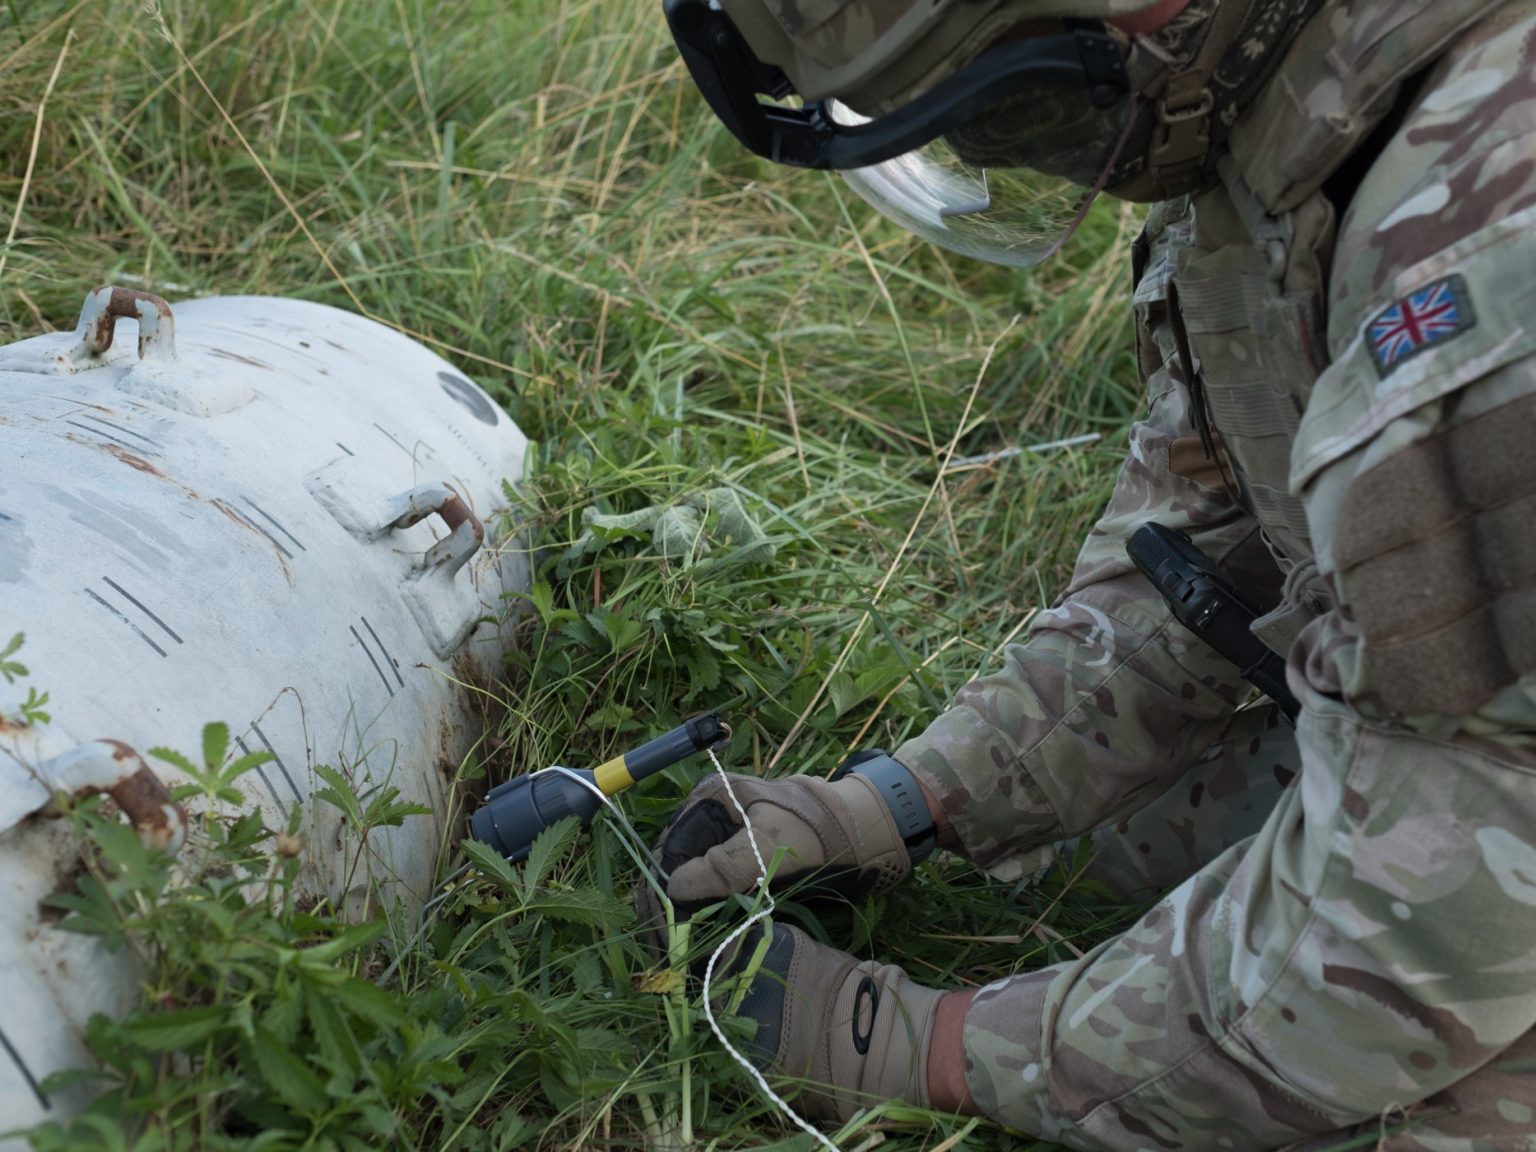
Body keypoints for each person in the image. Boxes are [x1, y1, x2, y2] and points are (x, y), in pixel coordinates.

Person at [644, 1, 1536, 1147]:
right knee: (1100, 850)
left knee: (1415, 1105)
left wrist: (935, 1048)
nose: (996, 152)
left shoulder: (1481, 240)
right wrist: (897, 807)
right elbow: (1196, 561)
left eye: (1008, 106)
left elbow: (1436, 907)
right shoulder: (1274, 107)